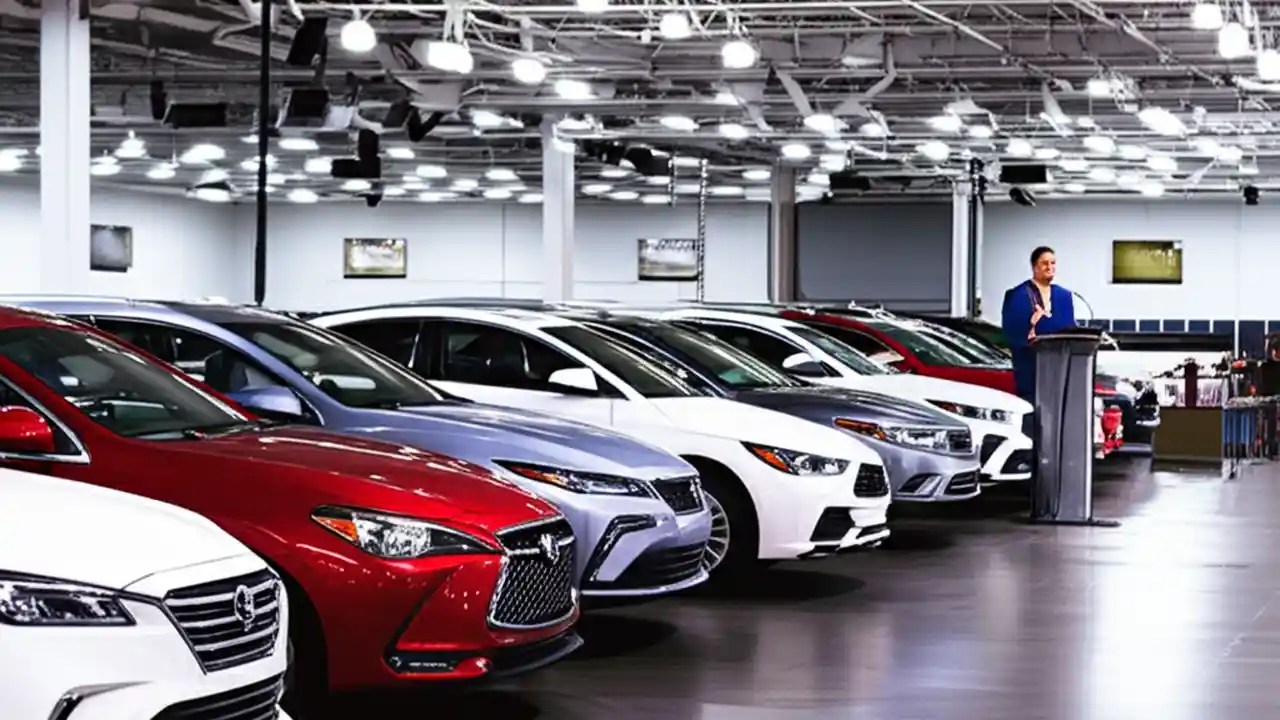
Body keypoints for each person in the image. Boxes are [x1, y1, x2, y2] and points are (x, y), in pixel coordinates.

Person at [1001, 246, 1077, 401]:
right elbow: (1011, 333)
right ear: (1034, 267)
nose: (1050, 267)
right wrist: (1031, 324)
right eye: (1045, 263)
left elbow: (1070, 329)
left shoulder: (1063, 296)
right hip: (1031, 371)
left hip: (1059, 368)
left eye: (1053, 263)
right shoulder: (1018, 295)